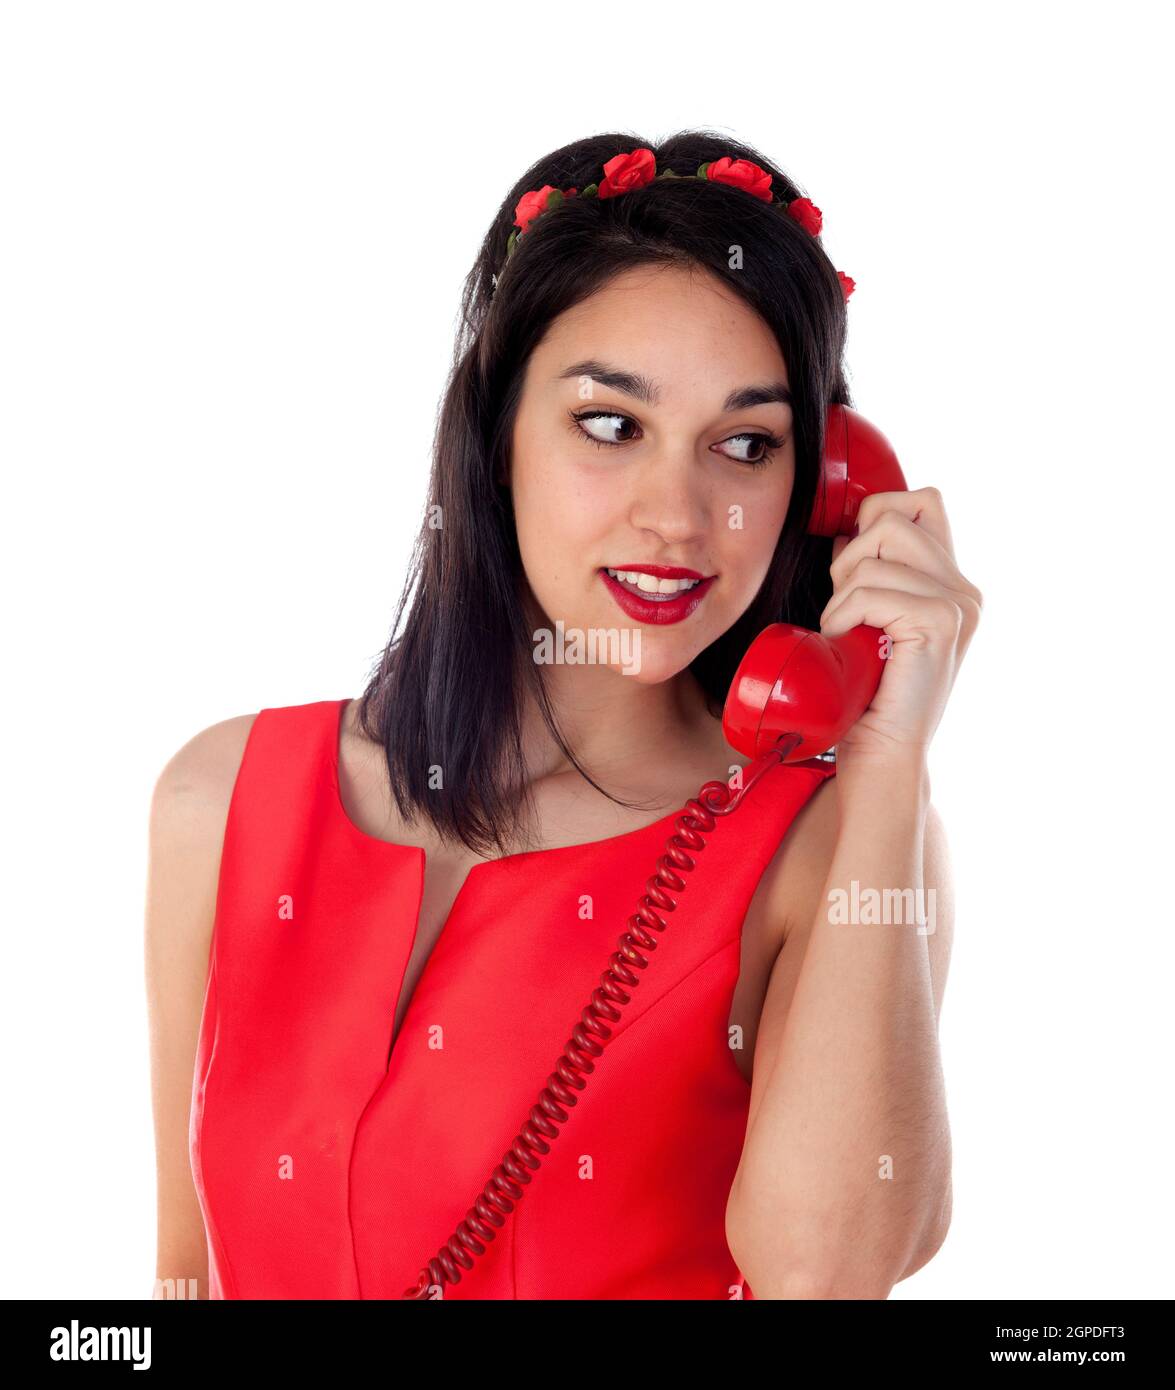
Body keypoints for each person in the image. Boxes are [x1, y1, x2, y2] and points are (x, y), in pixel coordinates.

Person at [145, 129, 980, 1300]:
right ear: (495, 437)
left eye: (745, 445)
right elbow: (183, 1275)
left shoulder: (831, 844)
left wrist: (887, 756)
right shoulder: (219, 799)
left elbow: (824, 1274)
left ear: (822, 484)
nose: (677, 517)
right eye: (608, 424)